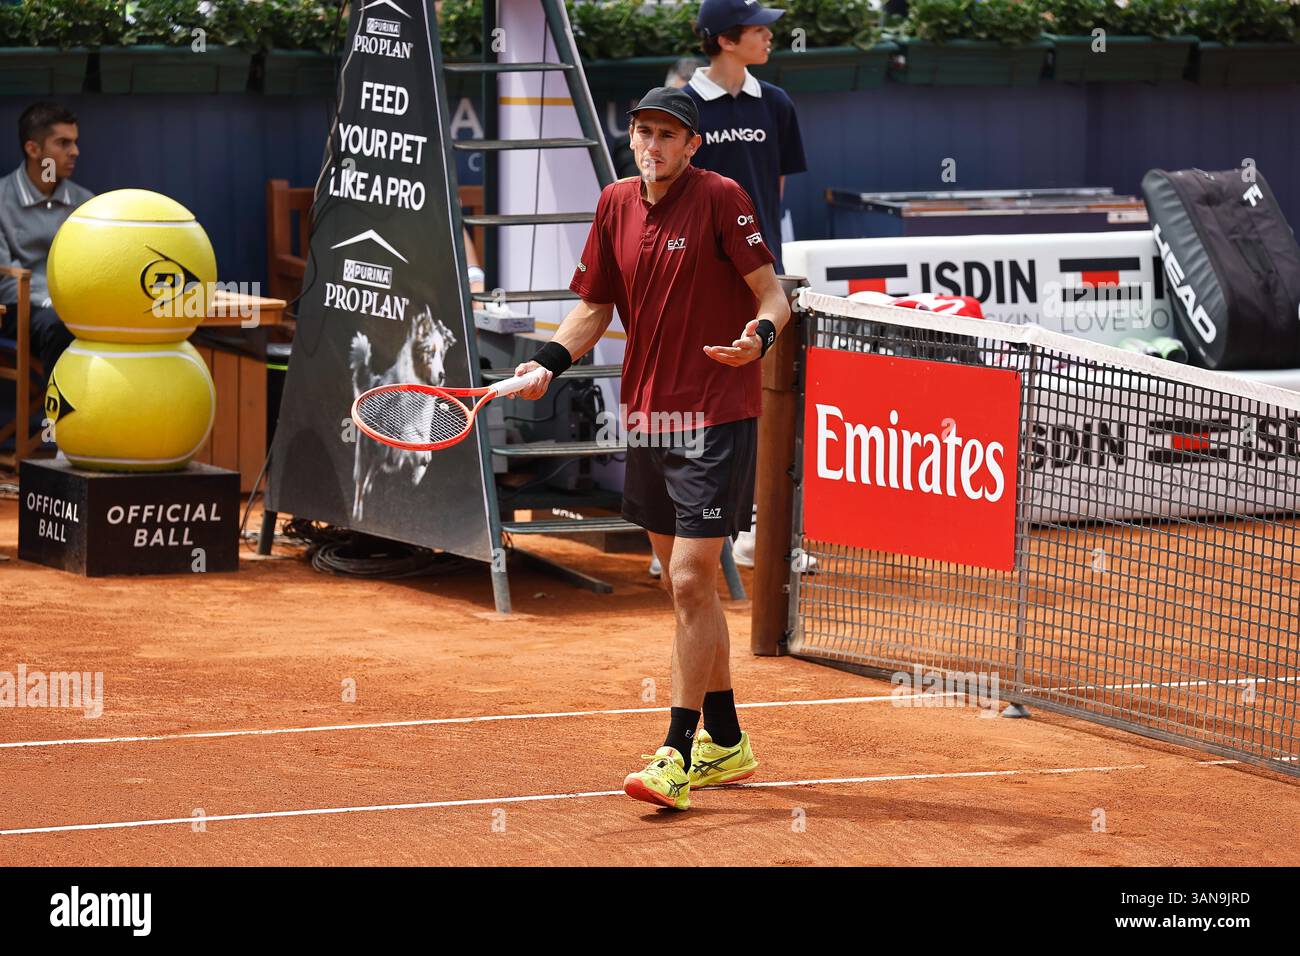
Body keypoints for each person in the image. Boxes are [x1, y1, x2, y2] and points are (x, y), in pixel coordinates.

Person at [513, 87, 790, 811]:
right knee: (681, 587)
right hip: (648, 419)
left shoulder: (721, 196)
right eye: (643, 133)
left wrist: (754, 340)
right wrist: (548, 361)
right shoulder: (614, 205)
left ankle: (674, 753)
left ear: (692, 145)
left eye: (668, 135)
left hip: (714, 416)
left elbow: (773, 295)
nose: (653, 145)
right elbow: (593, 307)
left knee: (695, 580)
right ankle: (726, 741)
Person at [0, 102, 93, 388]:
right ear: (33, 149)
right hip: (24, 308)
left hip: (77, 306)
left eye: (75, 142)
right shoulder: (1, 199)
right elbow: (4, 283)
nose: (74, 151)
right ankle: (63, 423)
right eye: (63, 143)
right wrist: (57, 301)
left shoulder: (87, 203)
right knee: (58, 323)